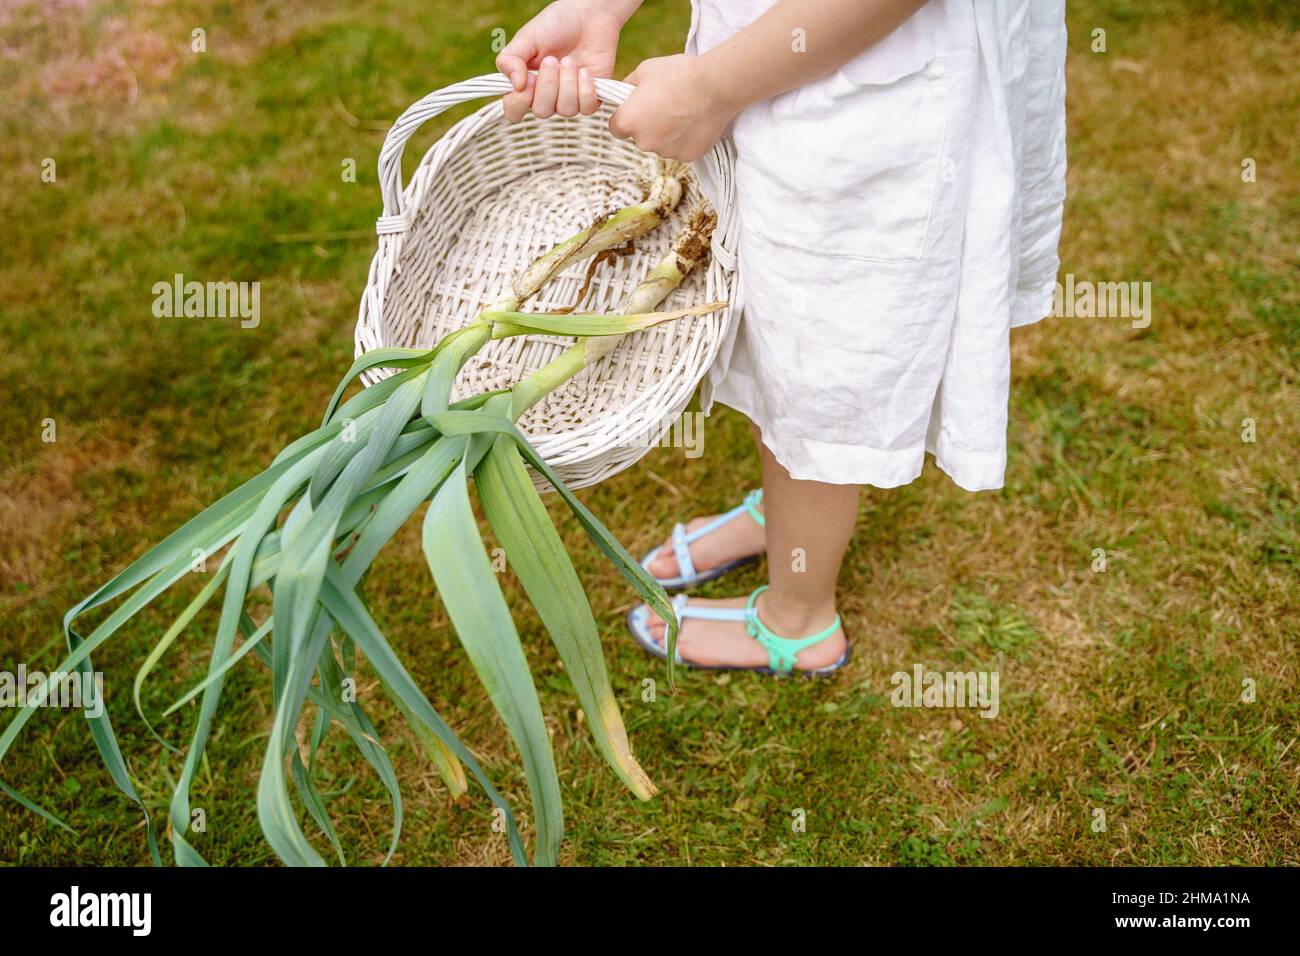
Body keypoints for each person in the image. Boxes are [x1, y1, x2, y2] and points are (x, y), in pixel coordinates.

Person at [497, 0, 1067, 675]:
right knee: (775, 307)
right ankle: (788, 519)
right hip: (780, 47)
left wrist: (713, 88)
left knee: (820, 347)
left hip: (865, 69)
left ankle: (799, 619)